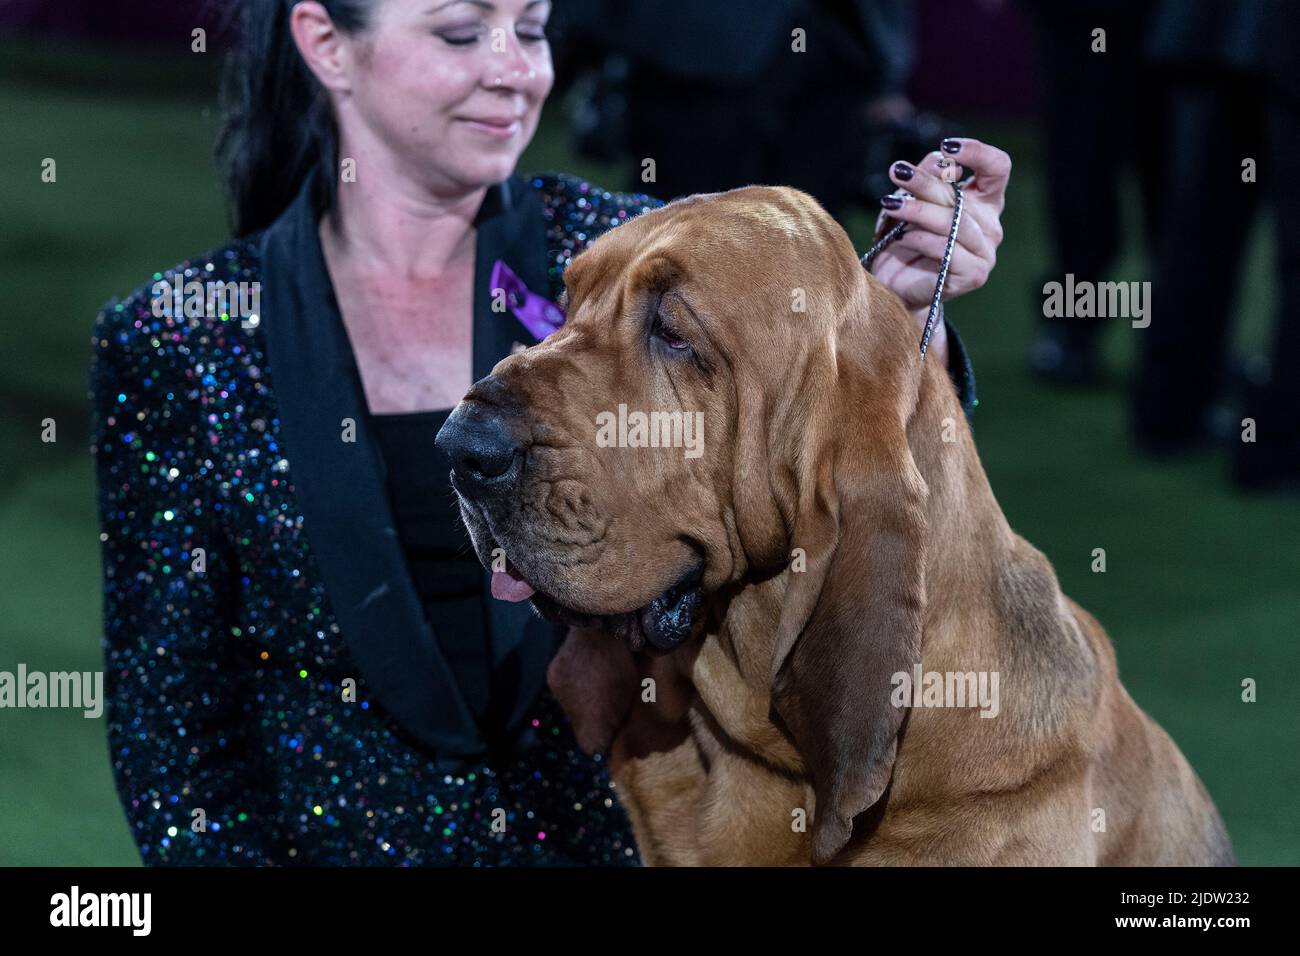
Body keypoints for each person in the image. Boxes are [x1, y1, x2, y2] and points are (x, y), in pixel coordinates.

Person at [89, 0, 1011, 866]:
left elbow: (806, 436)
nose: (513, 71)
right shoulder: (175, 338)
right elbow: (175, 740)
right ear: (327, 44)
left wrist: (892, 308)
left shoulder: (626, 249)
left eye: (529, 29)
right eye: (461, 33)